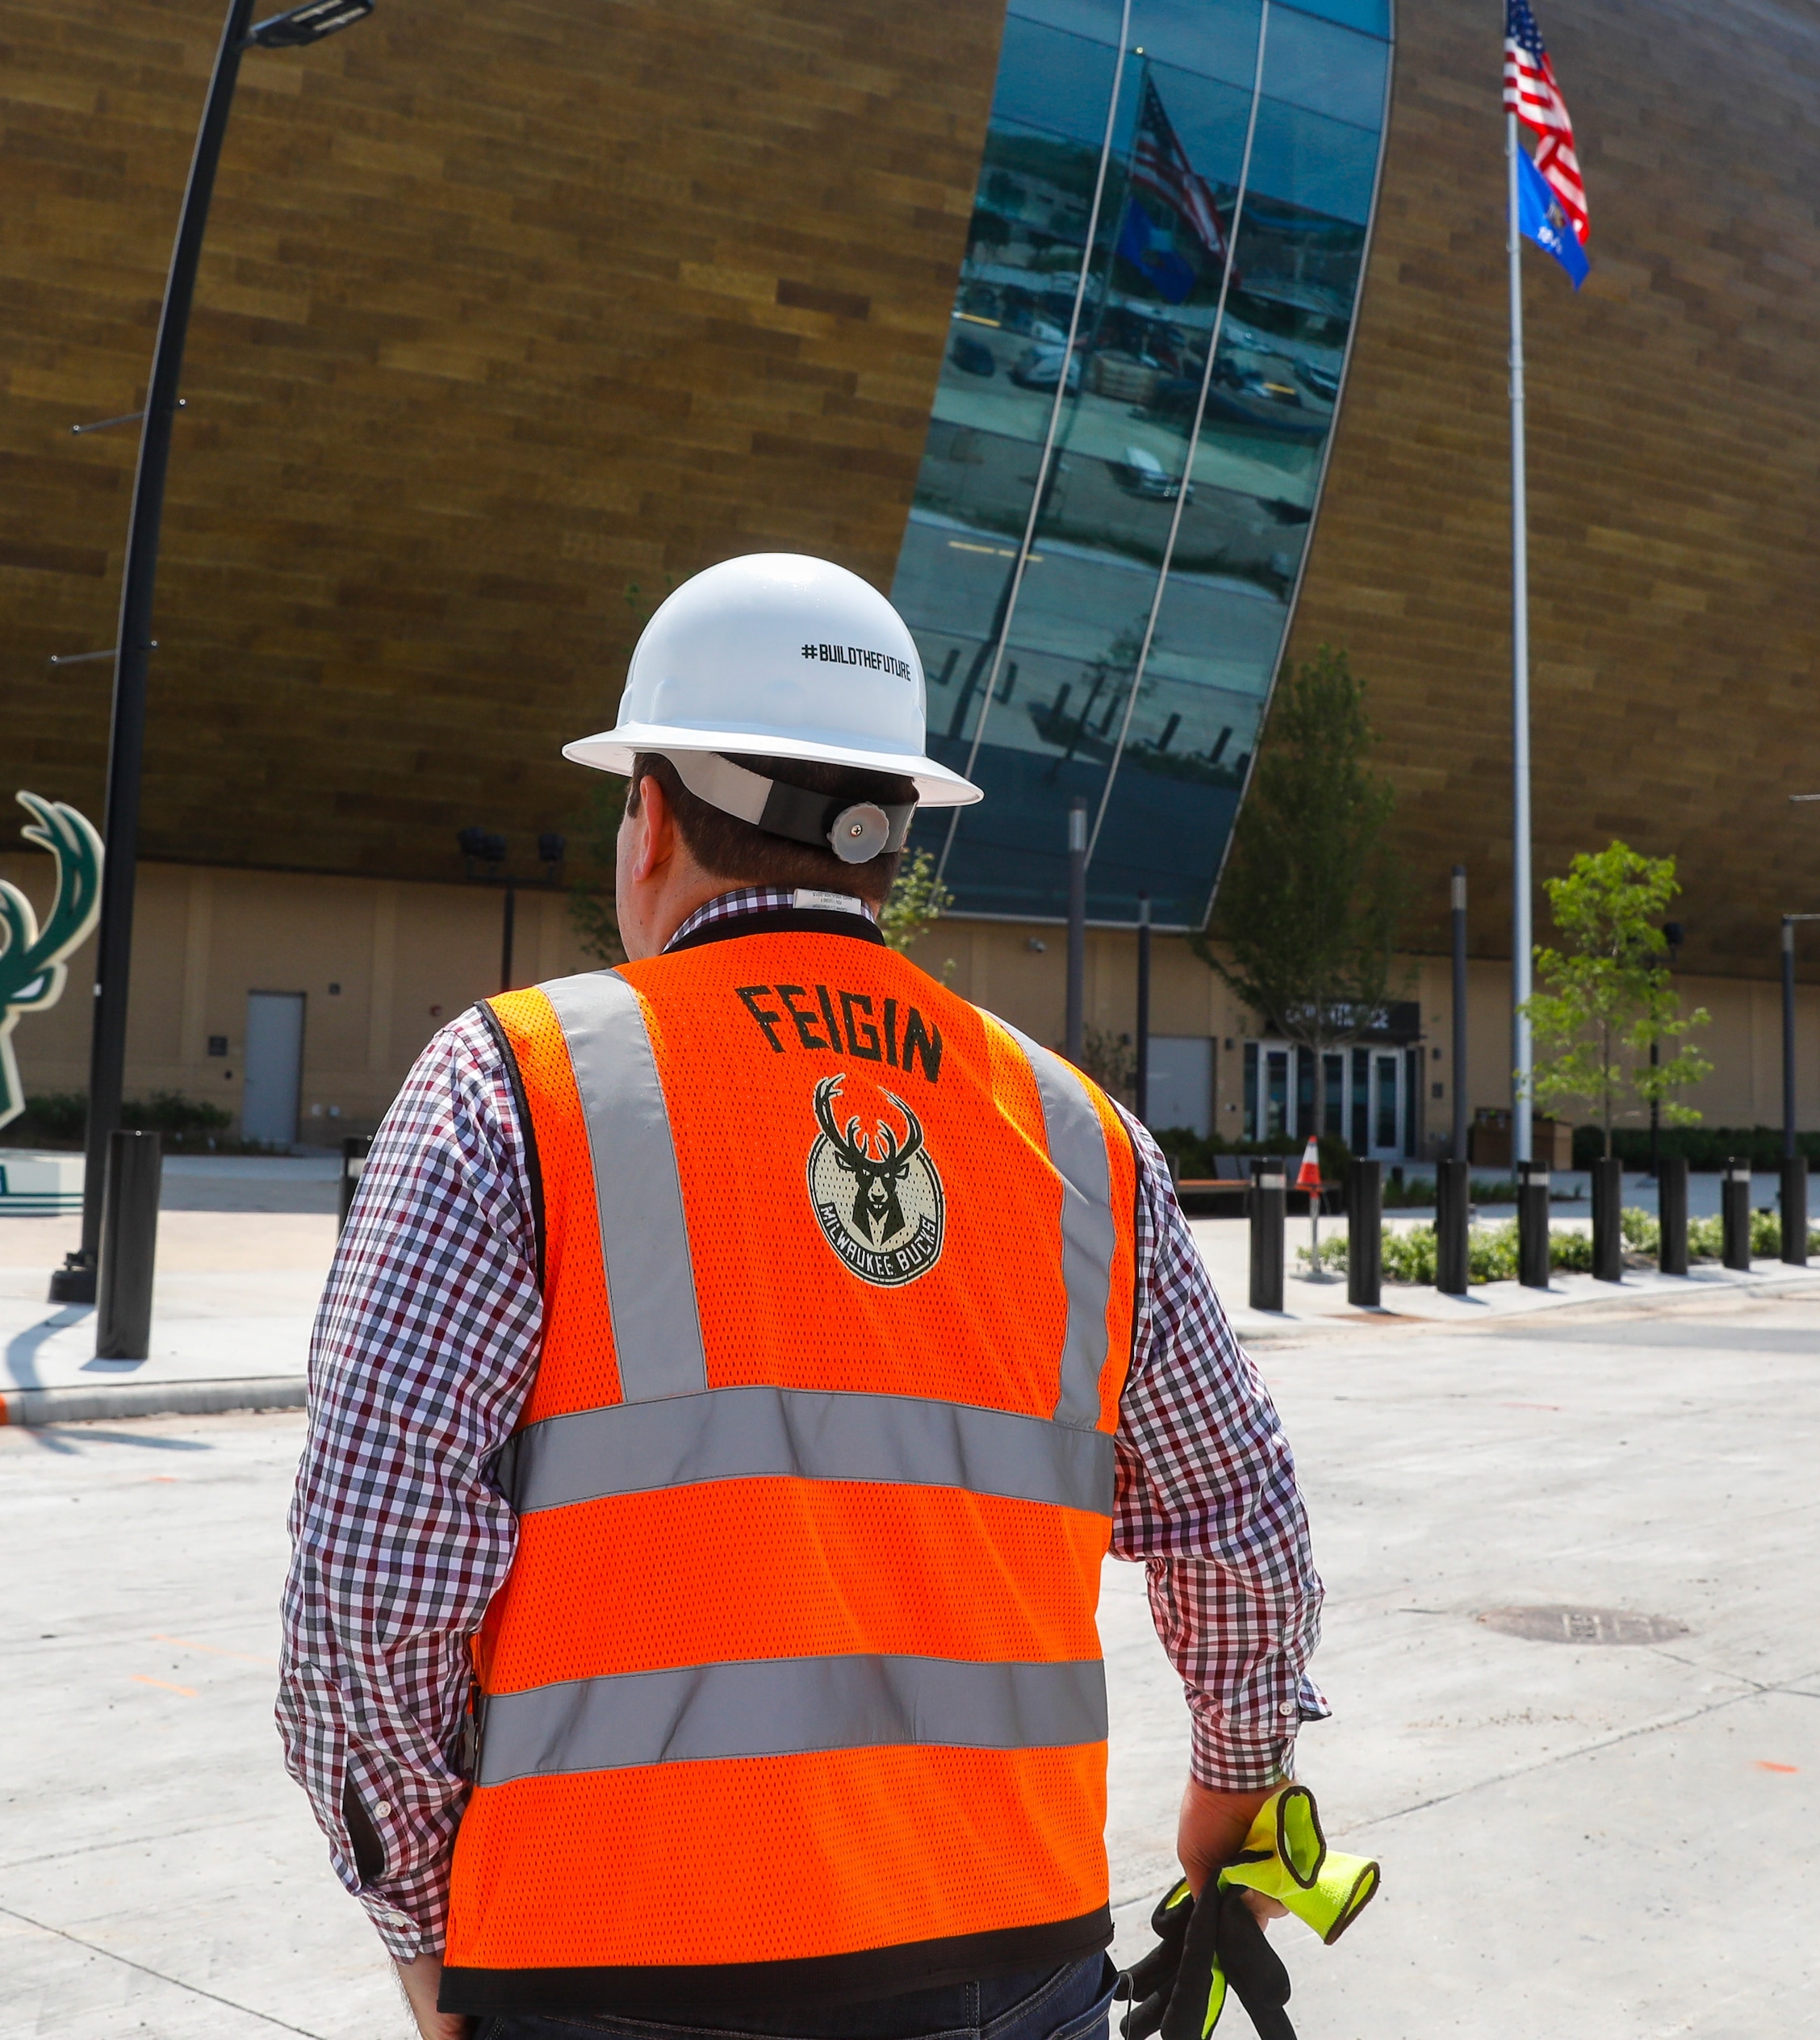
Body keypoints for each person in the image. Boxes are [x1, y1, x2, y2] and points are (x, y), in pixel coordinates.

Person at [278, 554, 1325, 2040]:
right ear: (889, 845)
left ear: (646, 818)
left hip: (608, 1974)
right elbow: (1242, 1524)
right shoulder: (1082, 1139)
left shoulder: (513, 1091)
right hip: (1015, 1964)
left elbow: (366, 1599)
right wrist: (1239, 1788)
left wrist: (427, 1936)